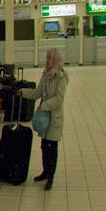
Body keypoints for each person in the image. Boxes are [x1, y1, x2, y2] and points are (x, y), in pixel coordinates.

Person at [33, 48, 67, 191]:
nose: (46, 60)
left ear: (55, 60)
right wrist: (23, 92)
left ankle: (51, 177)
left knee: (52, 148)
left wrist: (44, 105)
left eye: (49, 58)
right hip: (45, 119)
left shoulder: (61, 76)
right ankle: (45, 172)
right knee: (44, 146)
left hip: (54, 118)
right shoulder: (45, 74)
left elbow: (59, 99)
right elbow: (38, 93)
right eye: (46, 57)